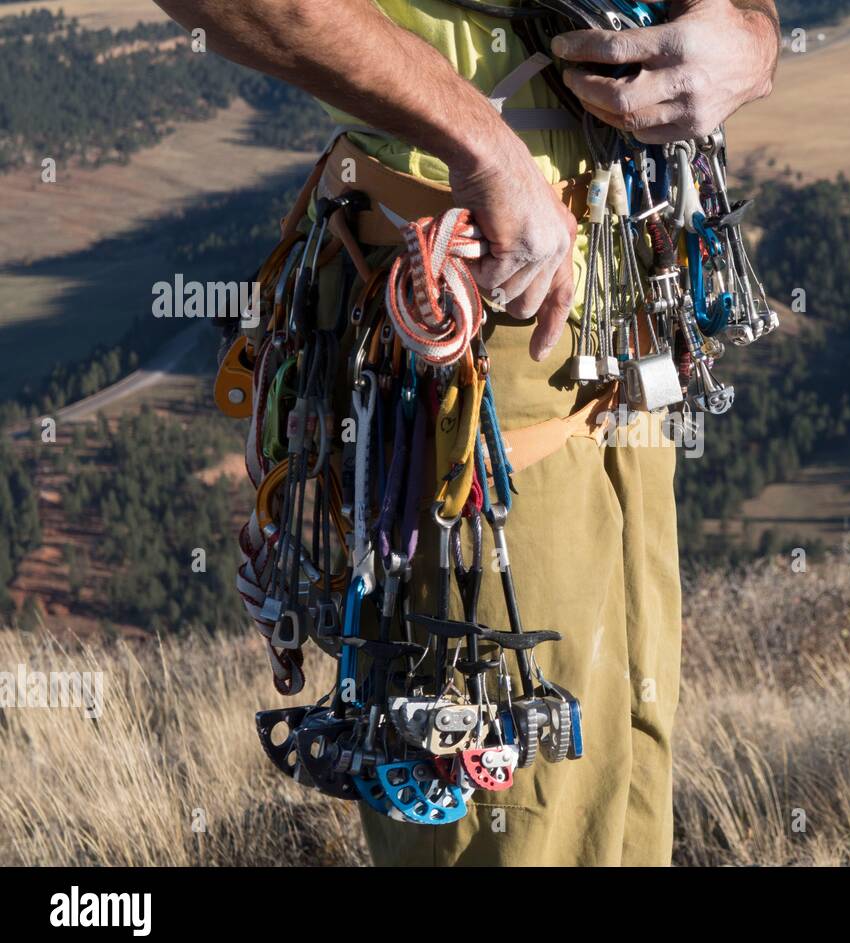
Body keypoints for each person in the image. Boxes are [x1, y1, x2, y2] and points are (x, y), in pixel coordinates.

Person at [154, 0, 779, 866]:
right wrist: (476, 138)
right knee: (508, 800)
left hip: (624, 312)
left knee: (620, 770)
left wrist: (750, 32)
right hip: (468, 317)